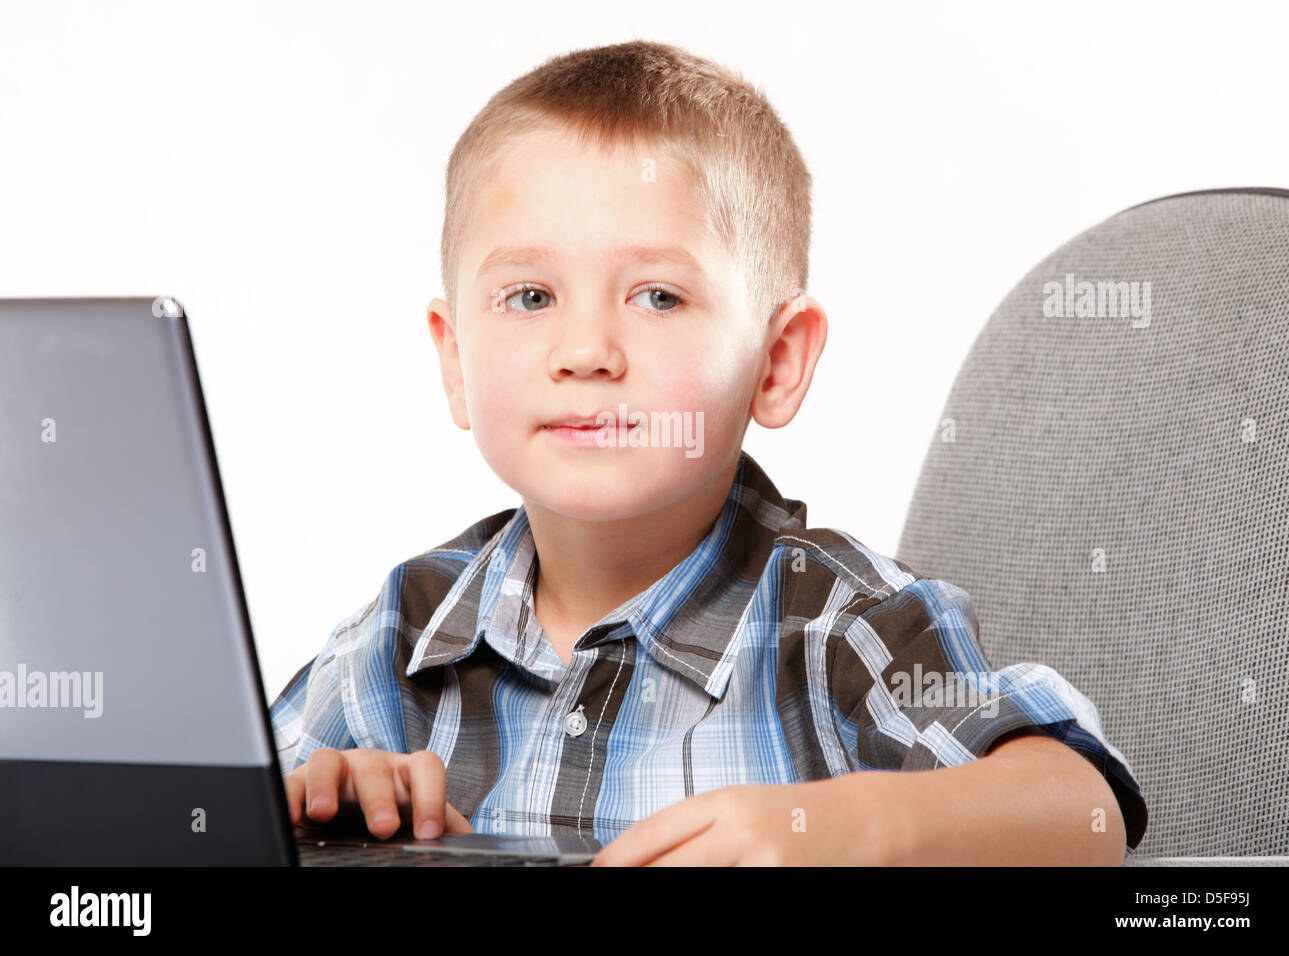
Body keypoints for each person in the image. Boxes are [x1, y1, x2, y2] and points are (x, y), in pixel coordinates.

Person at [271, 40, 1147, 865]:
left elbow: (1085, 813)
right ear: (454, 360)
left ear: (776, 361)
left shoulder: (841, 631)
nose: (585, 351)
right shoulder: (400, 635)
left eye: (657, 296)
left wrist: (853, 826)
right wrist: (319, 804)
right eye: (529, 295)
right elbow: (184, 817)